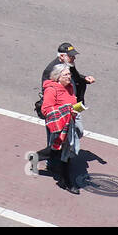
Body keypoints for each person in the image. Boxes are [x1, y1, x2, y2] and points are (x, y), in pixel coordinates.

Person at [41, 63, 84, 193]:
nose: (69, 76)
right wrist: (65, 110)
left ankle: (35, 157)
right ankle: (66, 182)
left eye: (69, 74)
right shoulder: (51, 89)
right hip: (61, 125)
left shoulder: (69, 87)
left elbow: (72, 102)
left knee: (57, 150)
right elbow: (46, 109)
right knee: (65, 152)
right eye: (66, 74)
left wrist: (77, 108)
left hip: (71, 121)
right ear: (58, 77)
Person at [41, 42, 95, 106]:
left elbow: (75, 76)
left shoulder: (68, 63)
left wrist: (85, 78)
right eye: (71, 56)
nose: (74, 58)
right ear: (61, 56)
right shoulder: (51, 70)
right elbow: (47, 90)